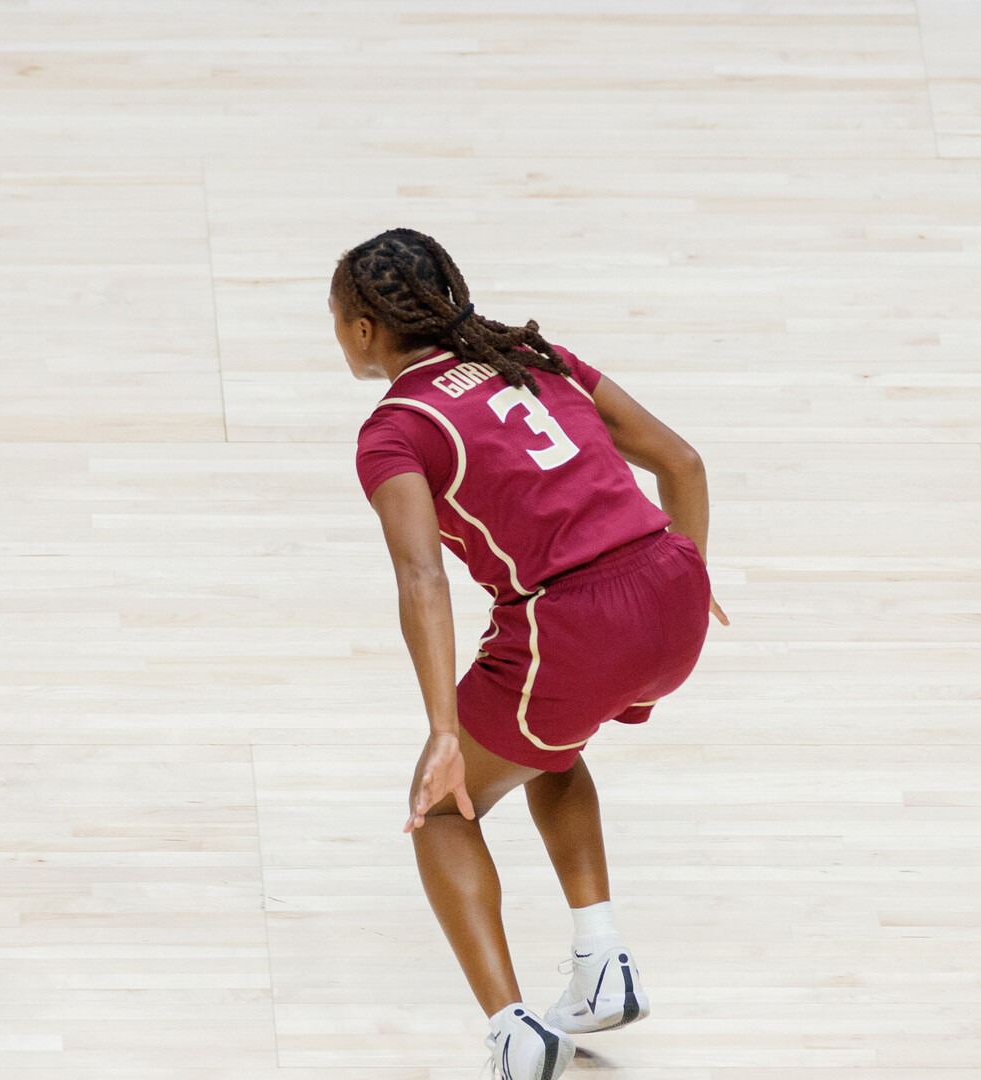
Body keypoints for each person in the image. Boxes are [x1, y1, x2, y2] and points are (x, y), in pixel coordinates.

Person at [334, 229, 724, 1078]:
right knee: (550, 749)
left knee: (441, 806)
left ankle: (514, 1031)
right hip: (672, 590)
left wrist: (443, 729)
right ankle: (601, 961)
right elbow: (683, 461)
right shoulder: (530, 355)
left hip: (575, 627)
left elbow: (421, 579)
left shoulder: (396, 428)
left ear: (363, 330)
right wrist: (689, 572)